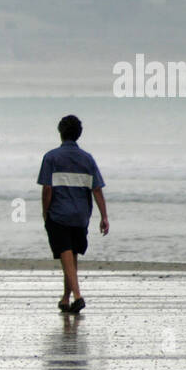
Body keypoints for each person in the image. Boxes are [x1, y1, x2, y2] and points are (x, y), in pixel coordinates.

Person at [37, 115, 109, 313]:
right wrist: (104, 216)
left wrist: (45, 212)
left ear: (60, 133)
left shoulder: (51, 157)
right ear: (79, 134)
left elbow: (47, 189)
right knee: (71, 255)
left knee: (65, 252)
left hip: (59, 214)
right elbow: (96, 189)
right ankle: (66, 297)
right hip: (80, 215)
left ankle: (77, 296)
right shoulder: (87, 159)